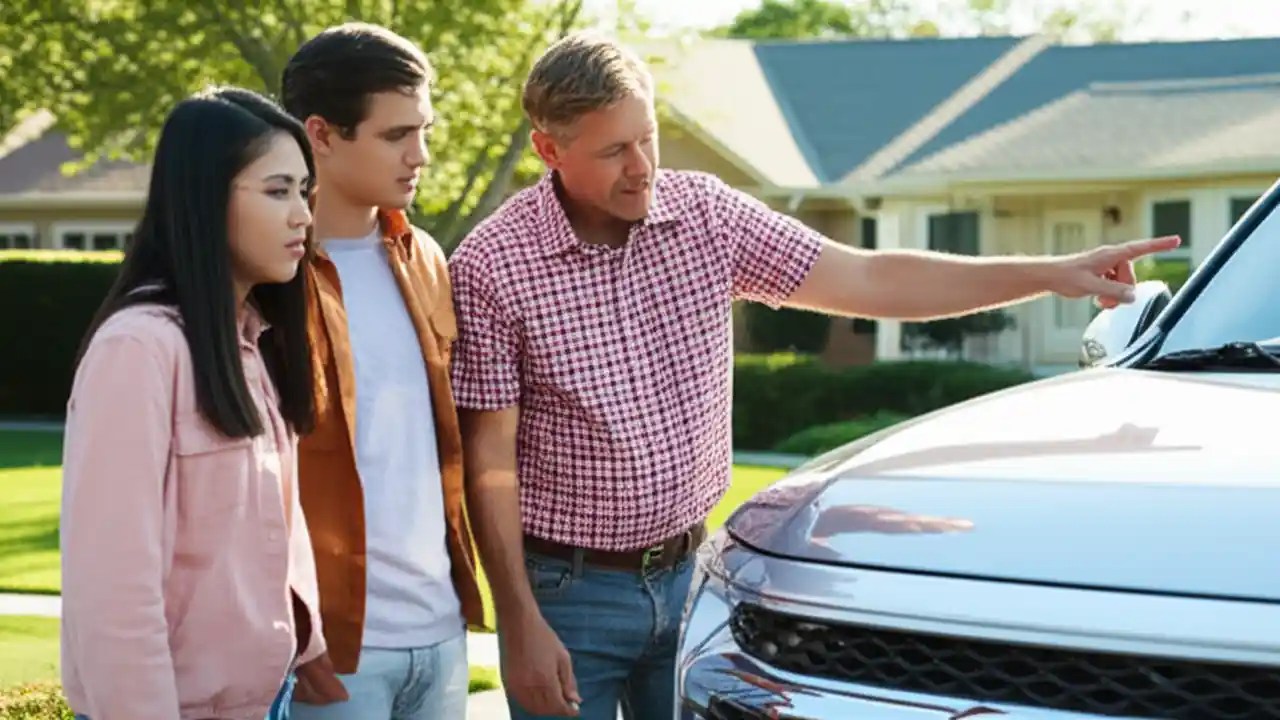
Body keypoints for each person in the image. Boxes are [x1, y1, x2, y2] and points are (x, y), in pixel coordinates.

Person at [447, 30, 1181, 720]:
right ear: (549, 149)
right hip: (568, 596)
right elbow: (490, 462)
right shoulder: (492, 265)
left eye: (647, 138)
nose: (642, 167)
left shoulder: (708, 215)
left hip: (695, 576)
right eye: (613, 151)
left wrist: (1051, 273)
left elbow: (871, 278)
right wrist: (518, 620)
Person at [59, 85, 325, 720]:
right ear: (206, 198)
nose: (303, 216)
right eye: (278, 190)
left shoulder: (254, 341)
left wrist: (306, 645)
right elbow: (114, 589)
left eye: (304, 192)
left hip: (269, 700)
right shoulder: (139, 351)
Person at [279, 22, 485, 720]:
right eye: (397, 135)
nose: (420, 154)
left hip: (442, 639)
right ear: (322, 134)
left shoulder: (424, 256)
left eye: (423, 130)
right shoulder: (265, 274)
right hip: (330, 655)